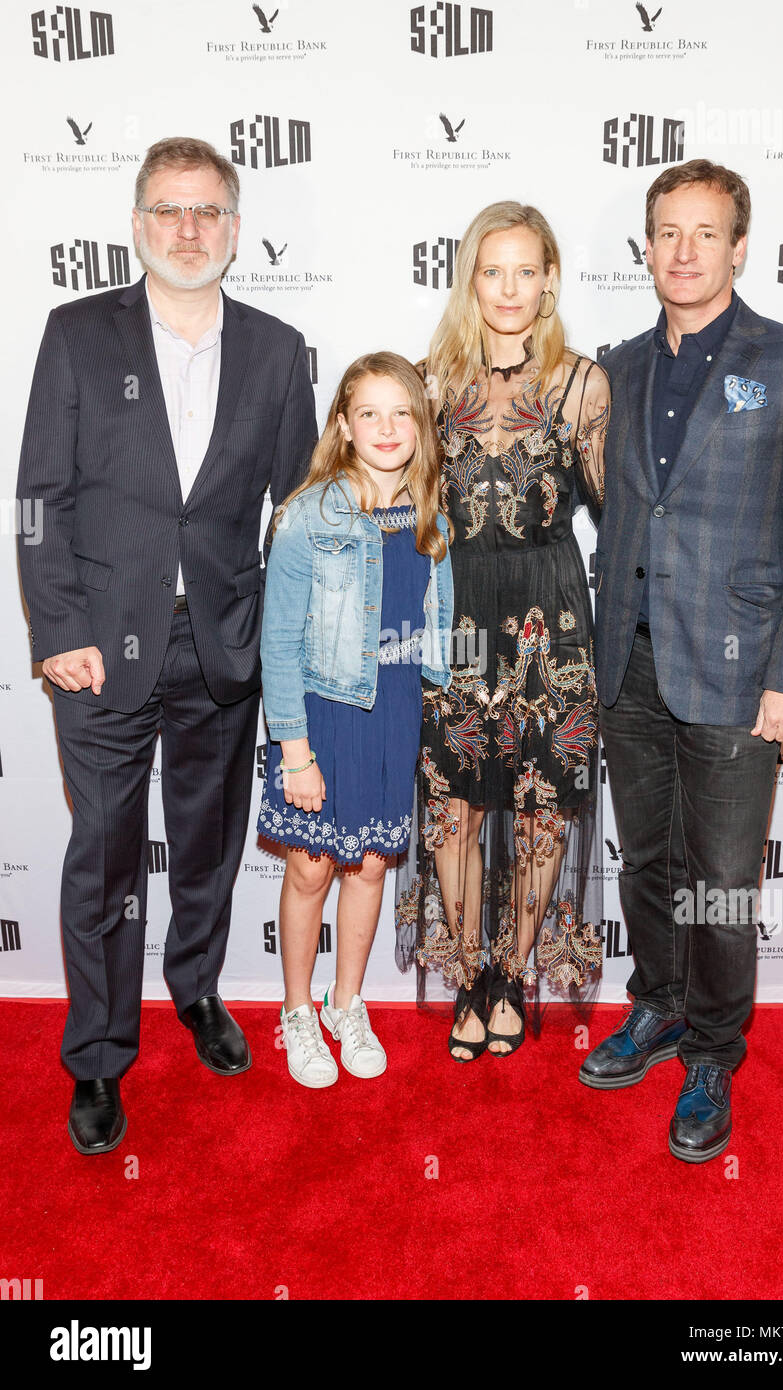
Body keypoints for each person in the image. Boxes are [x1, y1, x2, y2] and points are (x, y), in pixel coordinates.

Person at [16, 136, 317, 1154]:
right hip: (98, 651)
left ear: (234, 229)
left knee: (205, 847)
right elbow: (38, 503)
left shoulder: (279, 350)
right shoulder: (76, 334)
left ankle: (195, 992)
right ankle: (98, 1055)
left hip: (221, 651)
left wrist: (284, 638)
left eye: (206, 211)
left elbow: (302, 514)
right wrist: (56, 632)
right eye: (167, 210)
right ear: (137, 225)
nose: (188, 229)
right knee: (102, 857)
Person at [581, 159, 783, 1162]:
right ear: (646, 246)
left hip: (742, 675)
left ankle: (710, 1048)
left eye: (704, 233)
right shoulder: (613, 367)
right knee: (647, 862)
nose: (683, 251)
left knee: (722, 882)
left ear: (739, 247)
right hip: (631, 666)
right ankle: (654, 1004)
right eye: (665, 232)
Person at [395, 202, 609, 1060]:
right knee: (454, 799)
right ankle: (470, 966)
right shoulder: (429, 382)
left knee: (538, 801)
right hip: (454, 616)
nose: (511, 288)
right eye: (494, 270)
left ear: (551, 278)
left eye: (527, 270)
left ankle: (513, 972)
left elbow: (625, 516)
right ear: (470, 279)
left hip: (549, 619)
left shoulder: (580, 384)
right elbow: (391, 505)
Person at [258, 352, 453, 1088]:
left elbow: (434, 629)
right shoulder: (310, 513)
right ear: (342, 424)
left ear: (421, 424)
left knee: (370, 864)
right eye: (368, 412)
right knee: (311, 868)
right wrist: (295, 751)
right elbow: (278, 641)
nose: (386, 427)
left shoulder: (434, 512)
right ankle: (298, 1012)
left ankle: (347, 1003)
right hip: (324, 717)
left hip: (395, 715)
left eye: (402, 411)